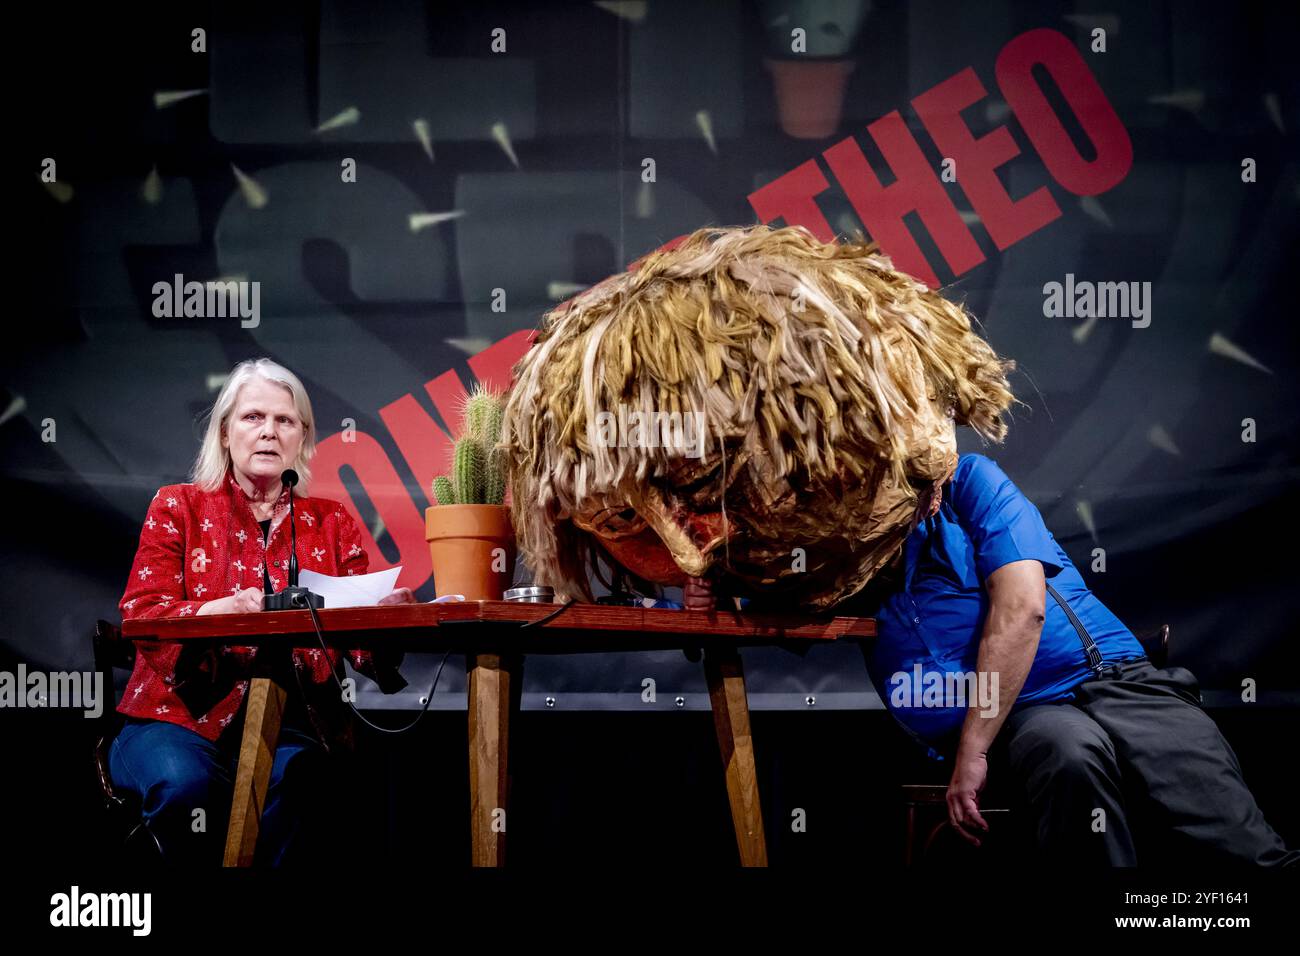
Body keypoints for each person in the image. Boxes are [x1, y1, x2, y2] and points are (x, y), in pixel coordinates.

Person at [686, 454, 1297, 866]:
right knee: (1067, 755)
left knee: (1221, 821)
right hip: (1020, 717)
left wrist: (972, 755)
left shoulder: (969, 482)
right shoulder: (839, 551)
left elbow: (1024, 605)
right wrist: (708, 587)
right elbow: (761, 610)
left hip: (1104, 679)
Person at [112, 357, 415, 865]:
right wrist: (214, 609)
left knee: (304, 785)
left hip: (292, 725)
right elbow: (143, 612)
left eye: (286, 421)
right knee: (186, 790)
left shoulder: (332, 523)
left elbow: (363, 649)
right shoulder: (176, 507)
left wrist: (387, 620)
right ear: (226, 432)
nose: (270, 432)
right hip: (177, 718)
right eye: (254, 417)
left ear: (303, 438)